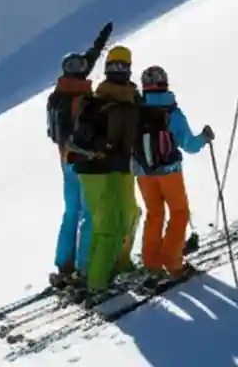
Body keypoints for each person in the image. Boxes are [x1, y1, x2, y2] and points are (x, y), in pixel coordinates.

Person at [71, 45, 142, 300]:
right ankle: (97, 283)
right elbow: (82, 134)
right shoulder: (96, 101)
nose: (117, 71)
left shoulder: (132, 100)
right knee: (108, 227)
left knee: (128, 217)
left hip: (119, 168)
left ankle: (117, 266)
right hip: (96, 170)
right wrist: (101, 146)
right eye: (113, 66)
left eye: (122, 66)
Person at [45, 22, 113, 289]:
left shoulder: (58, 95)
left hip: (65, 162)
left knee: (71, 212)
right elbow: (71, 137)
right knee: (89, 213)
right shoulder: (77, 100)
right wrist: (93, 152)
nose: (83, 68)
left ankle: (64, 264)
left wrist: (100, 40)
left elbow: (90, 58)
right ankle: (85, 267)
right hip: (82, 161)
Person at [134, 65, 214, 280]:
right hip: (169, 172)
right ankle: (172, 261)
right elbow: (190, 145)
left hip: (142, 171)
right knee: (179, 213)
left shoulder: (136, 110)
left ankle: (151, 263)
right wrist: (205, 138)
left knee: (154, 214)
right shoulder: (172, 112)